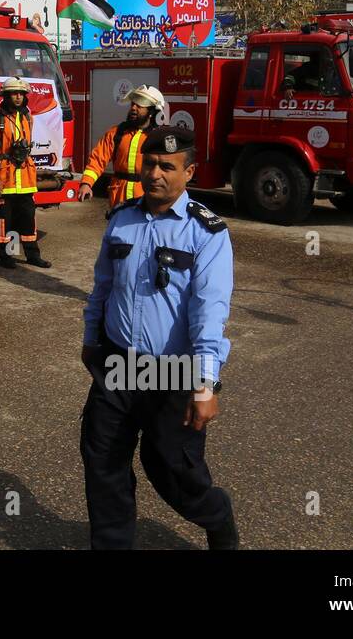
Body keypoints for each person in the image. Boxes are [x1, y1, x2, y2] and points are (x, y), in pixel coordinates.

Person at [80, 125, 238, 550]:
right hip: (117, 363)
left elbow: (209, 313)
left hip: (173, 369)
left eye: (168, 166)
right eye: (149, 164)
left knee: (173, 469)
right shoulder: (122, 219)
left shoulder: (207, 233)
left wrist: (205, 384)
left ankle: (217, 516)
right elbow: (102, 287)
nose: (155, 174)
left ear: (189, 172)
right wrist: (91, 339)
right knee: (103, 459)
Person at [0, 76, 50, 270]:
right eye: (14, 93)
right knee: (6, 221)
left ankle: (32, 256)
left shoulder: (27, 117)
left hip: (26, 178)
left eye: (22, 94)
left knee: (28, 218)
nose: (19, 97)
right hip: (5, 179)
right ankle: (8, 256)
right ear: (5, 96)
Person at [78, 84, 165, 209]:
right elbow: (97, 160)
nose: (134, 108)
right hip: (118, 199)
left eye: (140, 105)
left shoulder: (157, 138)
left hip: (146, 201)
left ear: (151, 112)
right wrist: (86, 183)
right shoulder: (116, 133)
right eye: (133, 104)